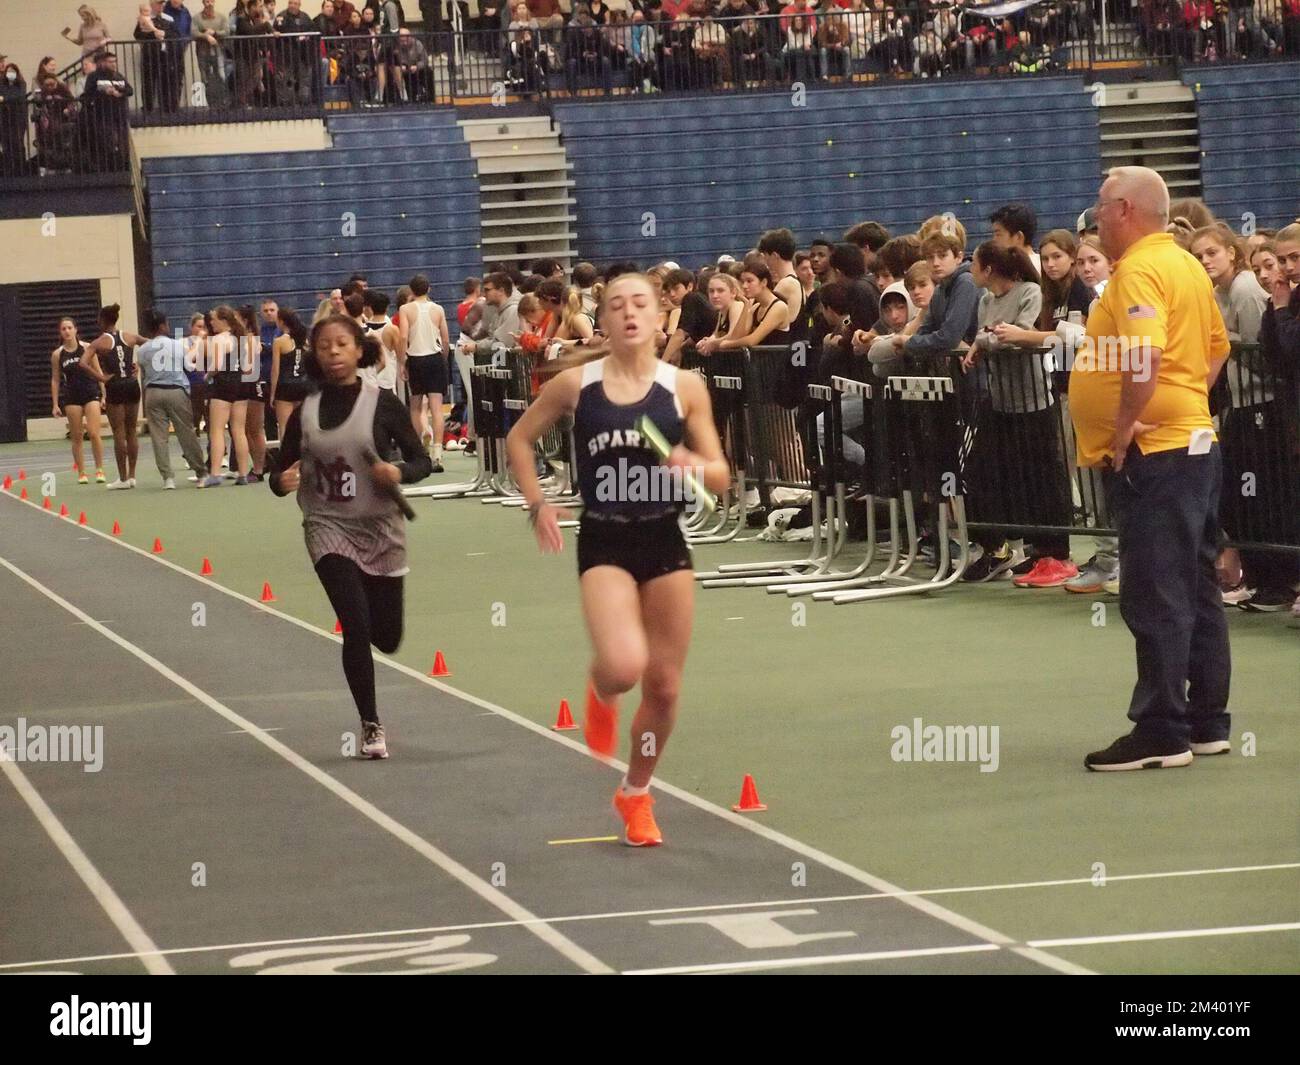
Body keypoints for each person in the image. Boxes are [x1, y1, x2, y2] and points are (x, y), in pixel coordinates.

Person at [504, 274, 729, 846]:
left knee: (665, 686)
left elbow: (721, 476)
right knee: (625, 665)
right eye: (616, 306)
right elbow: (519, 440)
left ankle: (636, 792)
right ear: (601, 321)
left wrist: (688, 464)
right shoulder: (577, 385)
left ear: (661, 319)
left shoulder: (685, 387)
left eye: (641, 305)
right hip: (605, 538)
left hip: (665, 542)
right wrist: (539, 504)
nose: (629, 314)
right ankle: (602, 688)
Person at [1071, 166, 1232, 772]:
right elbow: (1215, 348)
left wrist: (1124, 427)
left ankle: (1162, 729)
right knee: (1195, 583)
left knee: (1156, 589)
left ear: (1123, 211)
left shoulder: (1140, 267)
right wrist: (1182, 398)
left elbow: (1143, 357)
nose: (1095, 215)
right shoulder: (1186, 264)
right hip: (1190, 441)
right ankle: (1206, 721)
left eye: (1100, 205)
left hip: (1159, 453)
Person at [269, 315, 432, 760]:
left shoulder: (383, 404)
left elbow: (422, 461)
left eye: (343, 344)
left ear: (360, 350)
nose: (335, 352)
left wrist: (397, 470)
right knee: (355, 624)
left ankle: (374, 659)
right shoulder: (305, 410)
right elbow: (278, 469)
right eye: (325, 346)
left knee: (387, 636)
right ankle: (371, 724)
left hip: (381, 530)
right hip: (327, 526)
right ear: (315, 355)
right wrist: (281, 482)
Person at [137, 308, 207, 488]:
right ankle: (200, 471)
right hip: (175, 389)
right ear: (162, 326)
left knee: (159, 437)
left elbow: (143, 374)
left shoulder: (143, 349)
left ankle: (168, 478)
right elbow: (188, 367)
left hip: (153, 391)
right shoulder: (177, 345)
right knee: (186, 433)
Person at [83, 305, 147, 490]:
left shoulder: (99, 342)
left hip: (116, 385)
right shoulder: (130, 336)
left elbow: (82, 363)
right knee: (131, 430)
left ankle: (123, 477)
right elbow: (152, 343)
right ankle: (133, 476)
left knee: (118, 432)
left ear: (102, 320)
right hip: (131, 384)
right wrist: (139, 365)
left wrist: (101, 377)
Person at [397, 273, 451, 471]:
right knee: (437, 408)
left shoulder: (405, 309)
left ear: (411, 291)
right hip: (434, 358)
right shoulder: (438, 309)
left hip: (416, 359)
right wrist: (443, 357)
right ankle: (438, 453)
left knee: (416, 407)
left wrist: (402, 362)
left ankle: (418, 451)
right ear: (429, 289)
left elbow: (403, 336)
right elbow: (445, 338)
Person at [201, 304, 254, 487]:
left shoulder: (219, 340)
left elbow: (216, 365)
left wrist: (206, 377)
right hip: (241, 383)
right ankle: (243, 473)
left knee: (217, 429)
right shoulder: (241, 338)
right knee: (238, 430)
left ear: (223, 321)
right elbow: (247, 367)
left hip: (224, 383)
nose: (212, 323)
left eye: (214, 319)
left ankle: (215, 473)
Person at [51, 317, 107, 485]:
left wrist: (104, 394)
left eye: (69, 328)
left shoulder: (87, 348)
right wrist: (55, 404)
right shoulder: (57, 354)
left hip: (90, 393)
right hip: (72, 397)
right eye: (63, 329)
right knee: (77, 436)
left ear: (76, 330)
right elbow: (55, 379)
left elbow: (98, 372)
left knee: (94, 432)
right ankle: (82, 472)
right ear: (60, 333)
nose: (67, 331)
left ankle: (99, 469)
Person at [271, 306, 312, 440]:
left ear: (282, 322)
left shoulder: (279, 342)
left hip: (285, 386)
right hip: (302, 384)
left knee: (285, 427)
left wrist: (272, 393)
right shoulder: (305, 341)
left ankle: (286, 459)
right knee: (302, 425)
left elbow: (275, 370)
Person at [63, 5, 111, 77]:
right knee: (89, 76)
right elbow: (80, 42)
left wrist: (105, 41)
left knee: (101, 75)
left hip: (99, 54)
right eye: (81, 16)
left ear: (90, 14)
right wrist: (69, 38)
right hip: (87, 55)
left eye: (83, 16)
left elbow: (109, 38)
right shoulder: (82, 26)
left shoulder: (101, 25)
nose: (82, 18)